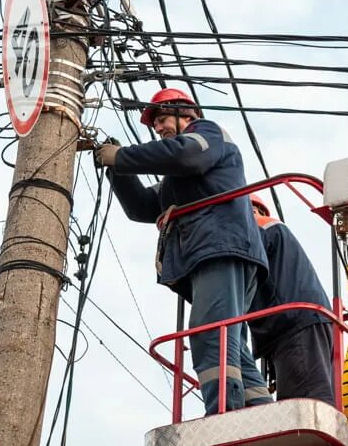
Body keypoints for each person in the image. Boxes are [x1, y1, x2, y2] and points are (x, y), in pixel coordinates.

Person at [94, 87, 271, 414]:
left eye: (161, 119)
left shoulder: (208, 133)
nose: (158, 128)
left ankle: (224, 414)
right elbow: (141, 206)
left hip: (220, 247)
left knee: (208, 335)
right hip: (216, 251)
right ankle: (261, 411)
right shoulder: (184, 181)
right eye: (155, 123)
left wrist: (122, 157)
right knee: (230, 342)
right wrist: (115, 165)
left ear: (186, 114)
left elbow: (187, 155)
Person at [249, 195, 336, 404]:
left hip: (295, 324)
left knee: (307, 407)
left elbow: (233, 277)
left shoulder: (255, 228)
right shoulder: (271, 229)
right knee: (304, 403)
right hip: (300, 322)